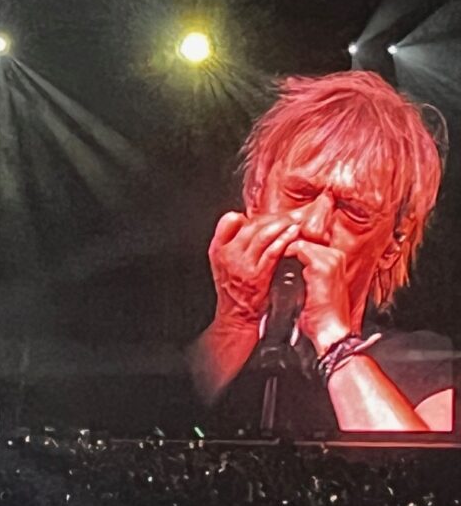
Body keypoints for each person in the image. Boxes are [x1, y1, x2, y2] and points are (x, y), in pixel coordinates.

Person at [188, 71, 452, 433]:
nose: (313, 226)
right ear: (256, 194)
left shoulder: (428, 365)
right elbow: (158, 429)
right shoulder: (174, 340)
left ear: (392, 243)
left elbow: (428, 480)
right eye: (298, 194)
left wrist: (335, 342)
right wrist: (236, 320)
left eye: (354, 211)